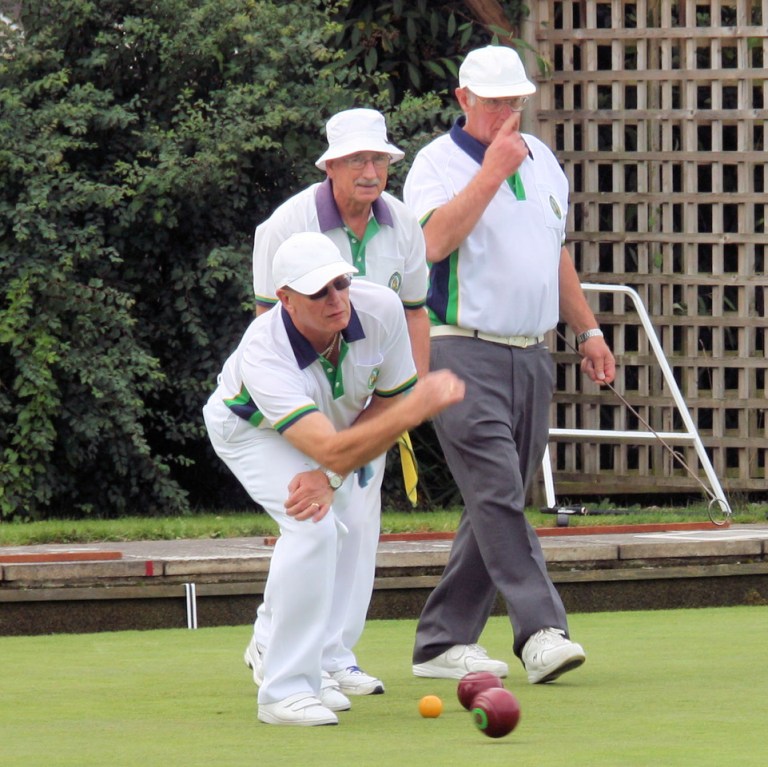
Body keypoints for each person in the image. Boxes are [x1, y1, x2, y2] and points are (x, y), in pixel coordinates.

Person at [403, 45, 616, 684]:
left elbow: (554, 254)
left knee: (492, 503)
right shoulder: (435, 164)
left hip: (532, 355)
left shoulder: (544, 161)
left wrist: (588, 330)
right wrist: (492, 172)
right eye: (494, 101)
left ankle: (442, 641)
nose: (506, 112)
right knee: (497, 493)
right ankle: (542, 631)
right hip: (459, 349)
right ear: (463, 99)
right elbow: (432, 243)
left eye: (514, 101)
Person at [203, 232, 463, 726]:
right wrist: (415, 411)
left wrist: (330, 473)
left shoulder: (381, 309)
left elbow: (387, 399)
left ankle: (293, 648)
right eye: (318, 292)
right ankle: (284, 691)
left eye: (341, 283)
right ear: (285, 299)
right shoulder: (264, 349)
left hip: (334, 429)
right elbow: (332, 447)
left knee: (349, 528)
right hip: (250, 430)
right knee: (314, 525)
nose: (337, 299)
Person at [246, 107, 430, 699]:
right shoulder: (286, 224)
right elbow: (270, 321)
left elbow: (413, 313)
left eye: (378, 159)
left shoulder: (403, 223)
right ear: (330, 166)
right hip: (302, 398)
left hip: (369, 395)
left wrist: (409, 398)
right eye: (356, 160)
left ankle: (334, 654)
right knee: (315, 520)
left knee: (359, 525)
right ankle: (276, 643)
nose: (370, 171)